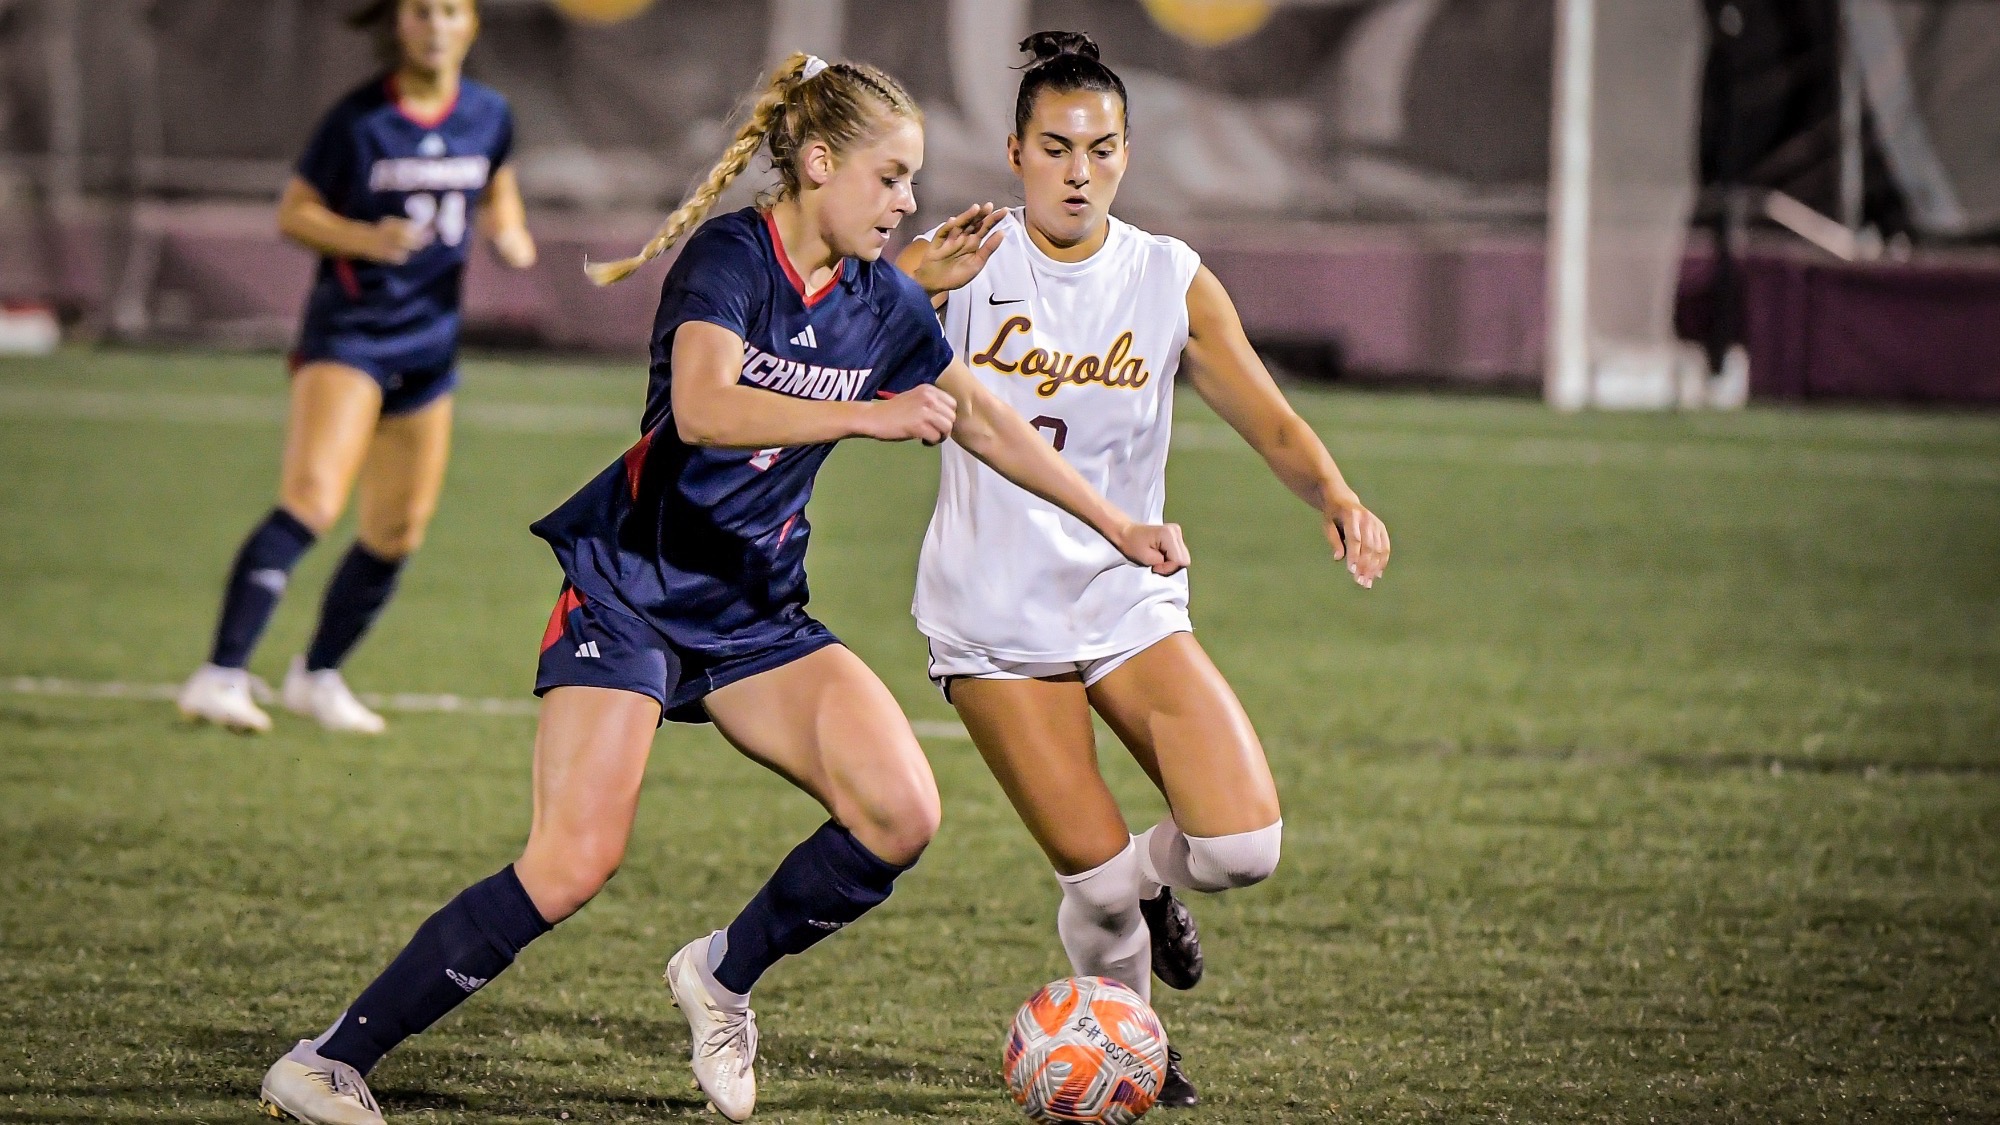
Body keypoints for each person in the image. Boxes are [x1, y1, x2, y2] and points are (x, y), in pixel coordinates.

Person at [255, 51, 1189, 1125]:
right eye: (889, 177)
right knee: (569, 864)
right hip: (631, 593)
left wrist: (1116, 522)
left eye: (912, 180)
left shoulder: (879, 298)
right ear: (820, 162)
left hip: (753, 612)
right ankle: (327, 1060)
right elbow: (702, 409)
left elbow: (980, 416)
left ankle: (720, 977)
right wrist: (863, 412)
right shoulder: (729, 259)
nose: (907, 202)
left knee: (897, 812)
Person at [898, 30, 1392, 1107]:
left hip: (1125, 602)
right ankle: (1134, 1055)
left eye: (1102, 148)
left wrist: (1334, 493)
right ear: (1015, 150)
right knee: (1100, 890)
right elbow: (831, 333)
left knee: (1242, 847)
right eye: (1056, 147)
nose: (1080, 171)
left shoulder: (1167, 277)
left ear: (1127, 153)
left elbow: (1266, 415)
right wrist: (895, 278)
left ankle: (1157, 891)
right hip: (993, 617)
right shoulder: (967, 259)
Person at [176, 0, 536, 735]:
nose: (435, 25)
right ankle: (219, 673)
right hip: (351, 336)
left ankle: (317, 675)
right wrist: (364, 239)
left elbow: (497, 187)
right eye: (420, 12)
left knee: (398, 529)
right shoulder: (359, 120)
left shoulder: (491, 113)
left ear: (470, 25)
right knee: (311, 499)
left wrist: (511, 235)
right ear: (395, 26)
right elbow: (295, 213)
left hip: (429, 345)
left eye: (449, 10)